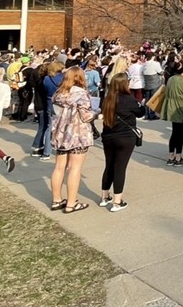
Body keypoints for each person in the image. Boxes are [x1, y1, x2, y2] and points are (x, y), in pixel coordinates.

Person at [49, 67, 95, 213]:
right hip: (77, 134)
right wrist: (97, 113)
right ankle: (71, 203)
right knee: (75, 168)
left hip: (60, 134)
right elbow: (86, 116)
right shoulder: (81, 94)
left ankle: (56, 200)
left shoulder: (58, 94)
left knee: (58, 167)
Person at [99, 72, 145, 212]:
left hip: (108, 136)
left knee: (109, 166)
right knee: (120, 168)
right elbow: (140, 112)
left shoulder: (107, 99)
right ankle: (117, 201)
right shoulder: (129, 99)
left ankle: (104, 196)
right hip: (125, 137)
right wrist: (141, 104)